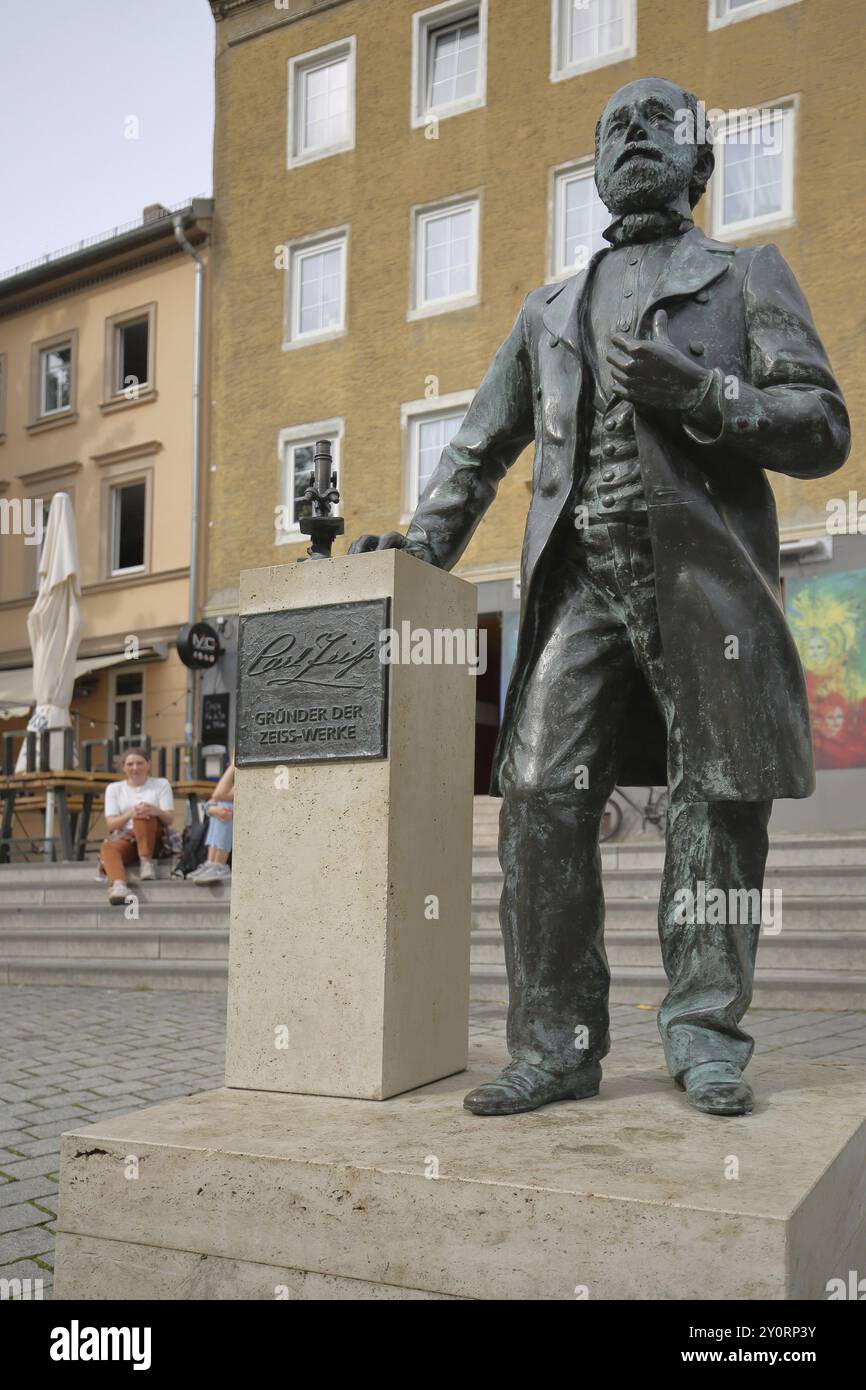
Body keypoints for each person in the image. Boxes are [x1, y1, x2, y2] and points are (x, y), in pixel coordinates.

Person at [350, 76, 850, 1118]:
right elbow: (480, 448)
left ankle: (704, 1032)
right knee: (536, 798)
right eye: (612, 127)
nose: (630, 137)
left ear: (697, 164)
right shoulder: (545, 311)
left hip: (703, 587)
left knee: (714, 804)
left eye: (654, 124)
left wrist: (704, 395)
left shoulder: (743, 274)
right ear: (594, 167)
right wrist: (421, 544)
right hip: (576, 579)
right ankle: (558, 1043)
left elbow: (819, 429)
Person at [100, 747, 175, 905]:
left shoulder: (161, 784)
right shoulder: (114, 789)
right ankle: (119, 885)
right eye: (130, 764)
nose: (135, 768)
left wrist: (155, 811)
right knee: (108, 847)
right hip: (127, 837)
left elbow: (169, 819)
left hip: (154, 837)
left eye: (140, 763)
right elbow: (111, 824)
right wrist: (130, 814)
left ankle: (146, 862)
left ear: (148, 764)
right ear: (123, 767)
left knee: (144, 815)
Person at [191, 759, 234, 886]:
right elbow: (211, 801)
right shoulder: (232, 783)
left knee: (225, 807)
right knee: (221, 806)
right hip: (232, 824)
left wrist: (232, 767)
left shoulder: (250, 777)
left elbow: (218, 794)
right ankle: (212, 863)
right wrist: (212, 810)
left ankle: (220, 866)